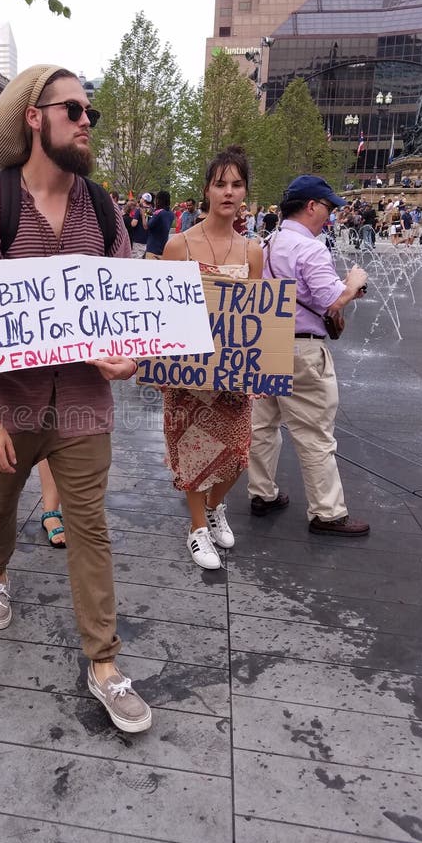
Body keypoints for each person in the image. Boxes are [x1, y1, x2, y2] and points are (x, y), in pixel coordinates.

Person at [0, 64, 151, 734]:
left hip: (84, 402)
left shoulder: (102, 206)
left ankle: (104, 666)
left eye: (89, 111)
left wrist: (131, 349)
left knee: (88, 525)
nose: (85, 120)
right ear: (34, 117)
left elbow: (125, 299)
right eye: (72, 109)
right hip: (12, 401)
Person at [247, 174, 370, 537]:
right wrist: (354, 282)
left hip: (266, 343)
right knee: (314, 432)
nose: (330, 215)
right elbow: (331, 301)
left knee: (263, 424)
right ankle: (327, 512)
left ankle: (262, 493)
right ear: (312, 206)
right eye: (328, 207)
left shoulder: (266, 244)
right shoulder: (311, 248)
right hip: (301, 350)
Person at [161, 146, 263, 570]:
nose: (228, 191)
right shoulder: (178, 246)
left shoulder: (252, 252)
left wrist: (256, 369)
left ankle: (217, 506)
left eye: (236, 184)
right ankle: (197, 527)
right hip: (188, 374)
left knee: (239, 454)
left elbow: (258, 316)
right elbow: (162, 314)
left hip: (232, 374)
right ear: (206, 189)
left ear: (245, 192)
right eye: (220, 183)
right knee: (190, 452)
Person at [145, 190, 174, 257]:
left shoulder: (158, 213)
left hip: (152, 249)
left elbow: (147, 226)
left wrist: (143, 215)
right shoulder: (171, 214)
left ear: (159, 200)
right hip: (164, 248)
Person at [130, 193, 151, 258]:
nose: (140, 199)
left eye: (141, 198)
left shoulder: (139, 210)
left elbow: (134, 224)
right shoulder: (152, 210)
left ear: (144, 200)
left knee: (136, 260)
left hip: (138, 240)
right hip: (147, 240)